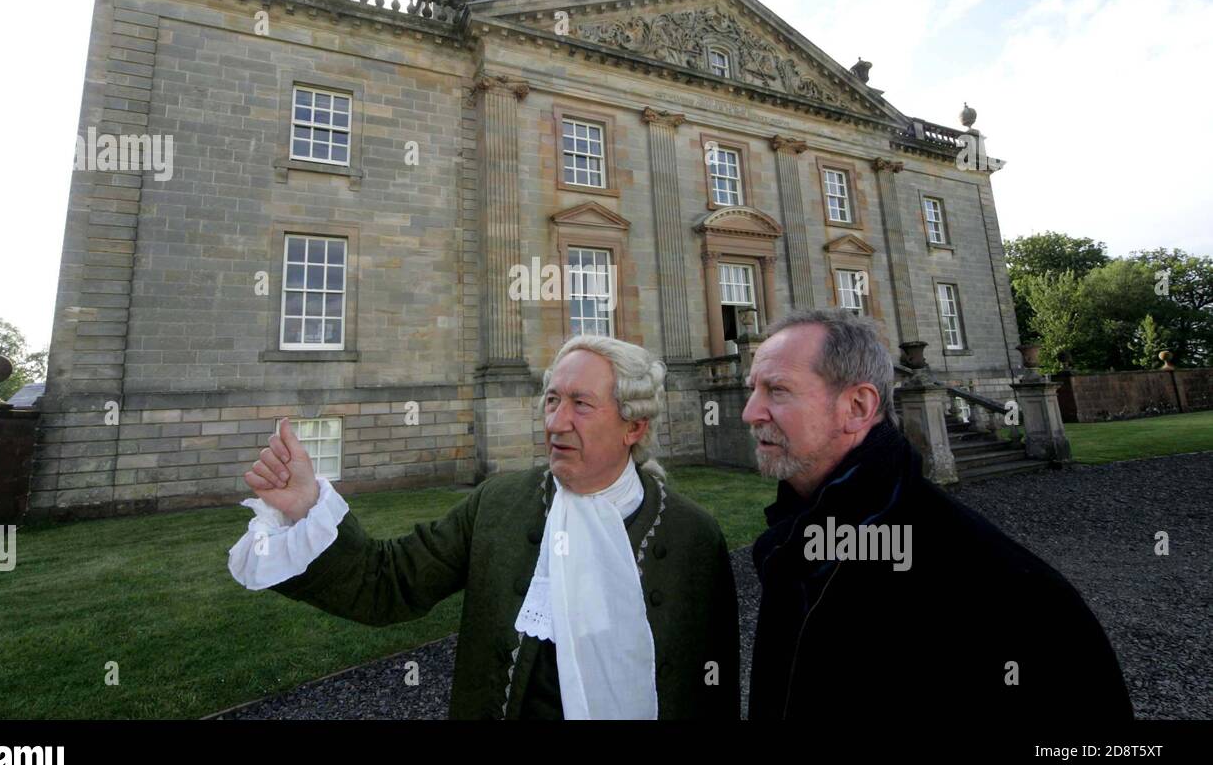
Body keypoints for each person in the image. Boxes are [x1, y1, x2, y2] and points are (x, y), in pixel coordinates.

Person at [228, 334, 739, 719]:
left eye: (581, 404)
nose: (556, 422)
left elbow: (712, 687)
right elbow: (388, 583)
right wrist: (305, 506)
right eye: (552, 400)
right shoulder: (500, 503)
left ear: (634, 425)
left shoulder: (692, 535)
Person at [742, 308, 1132, 719]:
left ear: (857, 406)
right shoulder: (792, 539)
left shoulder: (1000, 584)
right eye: (752, 389)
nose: (750, 413)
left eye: (777, 390)